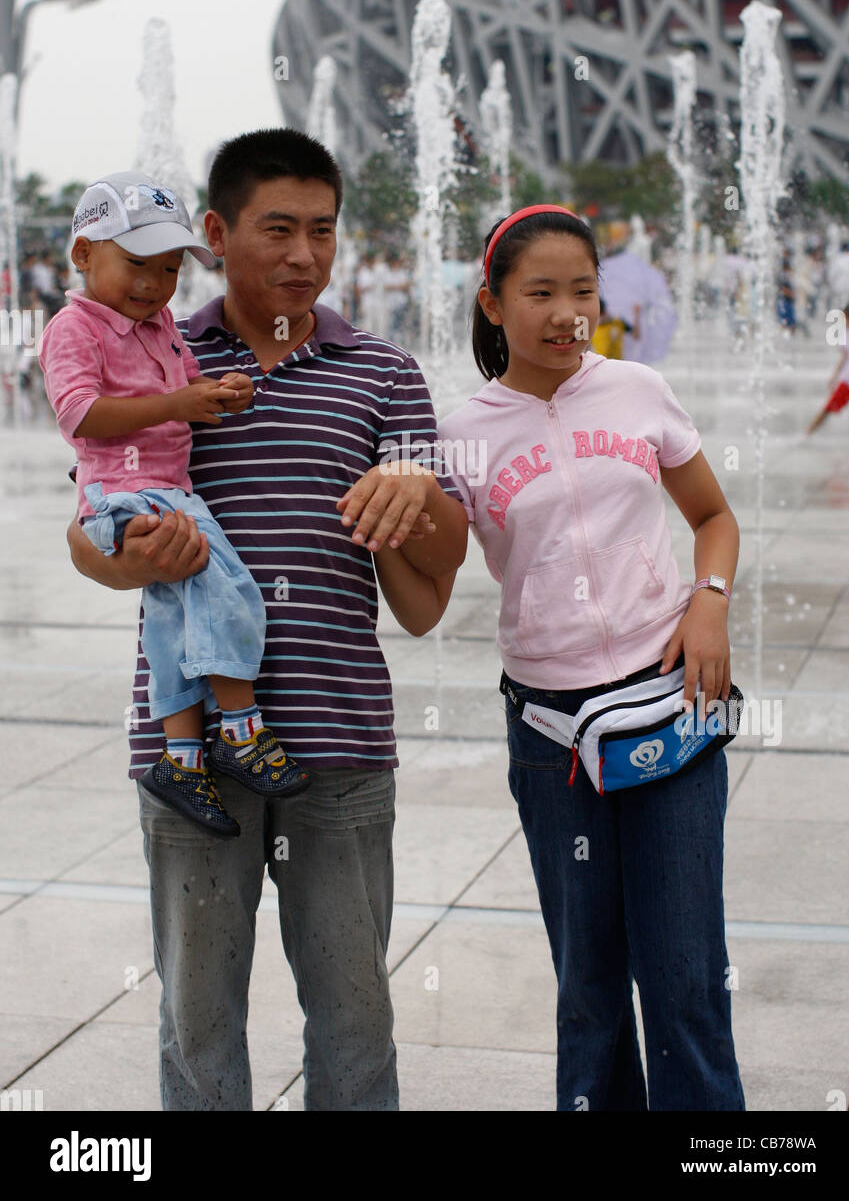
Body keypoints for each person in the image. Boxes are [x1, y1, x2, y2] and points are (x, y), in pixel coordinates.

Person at [65, 129, 468, 1111]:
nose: (303, 255)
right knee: (197, 1029)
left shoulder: (381, 373)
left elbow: (430, 589)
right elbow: (86, 535)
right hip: (191, 750)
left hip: (338, 742)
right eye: (277, 228)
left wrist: (418, 487)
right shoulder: (153, 361)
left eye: (322, 231)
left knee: (355, 1022)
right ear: (214, 232)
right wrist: (131, 557)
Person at [438, 204, 745, 1111]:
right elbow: (428, 580)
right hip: (552, 734)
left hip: (668, 704)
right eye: (540, 292)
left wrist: (710, 603)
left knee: (687, 974)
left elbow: (714, 518)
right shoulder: (464, 431)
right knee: (591, 985)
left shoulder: (640, 390)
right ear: (493, 305)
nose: (567, 311)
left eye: (583, 290)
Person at [39, 172, 311, 838]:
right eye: (136, 264)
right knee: (232, 591)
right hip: (125, 494)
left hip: (167, 490)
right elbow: (79, 416)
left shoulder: (159, 326)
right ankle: (242, 733)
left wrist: (218, 394)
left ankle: (182, 758)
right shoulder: (74, 327)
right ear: (83, 254)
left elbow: (188, 389)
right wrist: (180, 405)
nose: (153, 285)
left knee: (174, 620)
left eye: (167, 270)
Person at [807, 300, 849, 433]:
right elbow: (844, 358)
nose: (844, 321)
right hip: (848, 380)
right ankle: (807, 434)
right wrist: (834, 376)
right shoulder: (846, 335)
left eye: (846, 317)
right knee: (827, 409)